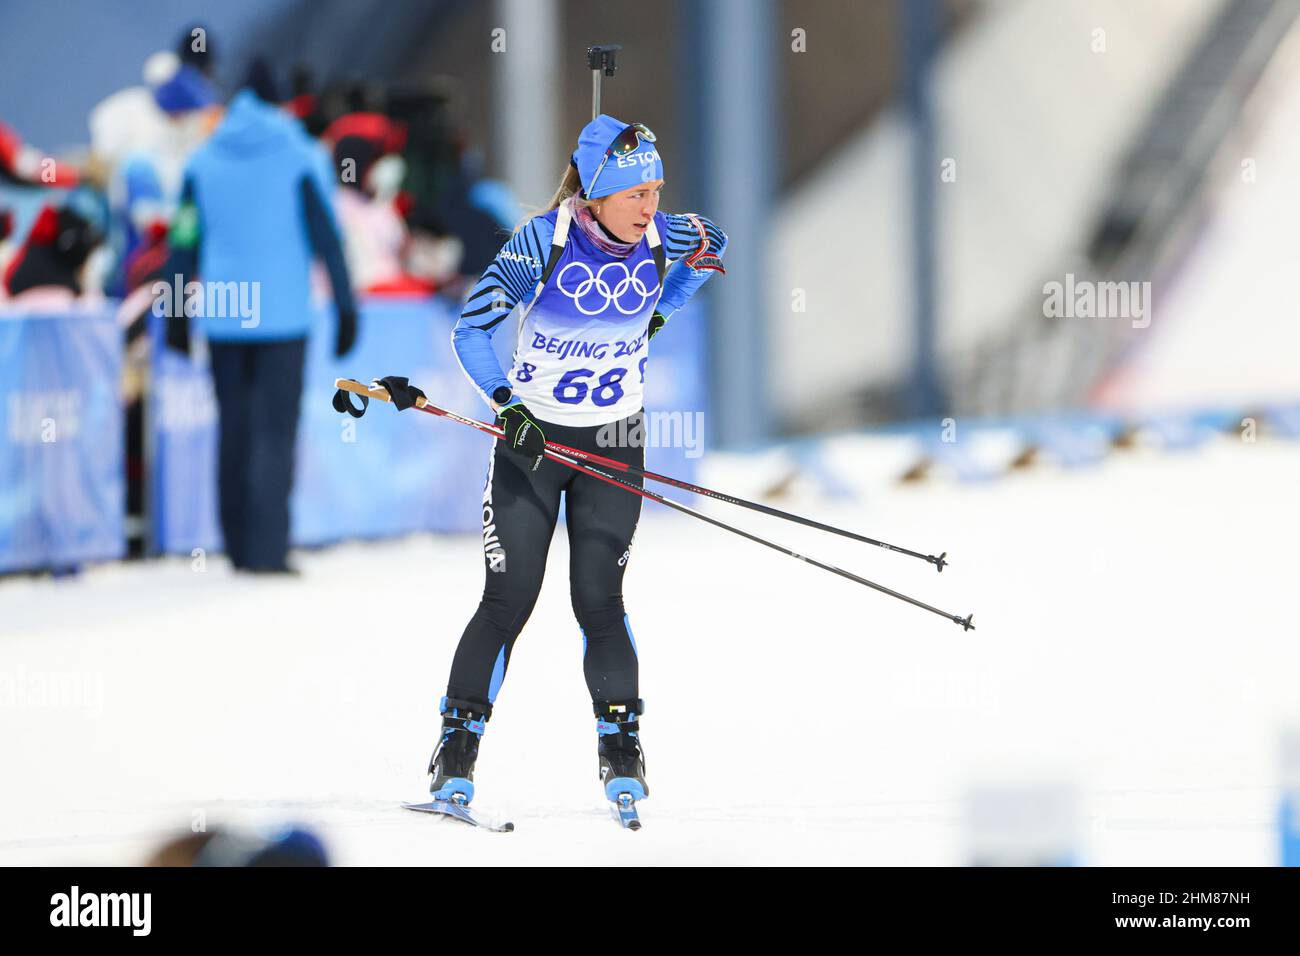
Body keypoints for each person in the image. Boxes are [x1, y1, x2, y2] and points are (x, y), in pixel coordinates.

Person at [383, 114, 726, 811]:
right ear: (596, 192)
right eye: (635, 193)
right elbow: (472, 329)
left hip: (614, 443)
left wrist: (656, 315)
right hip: (532, 447)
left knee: (599, 600)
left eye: (656, 190)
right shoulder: (541, 243)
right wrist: (509, 406)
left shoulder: (665, 233)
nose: (649, 206)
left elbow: (714, 243)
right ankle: (456, 753)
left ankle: (621, 751)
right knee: (509, 599)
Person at [166, 89, 357, 574]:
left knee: (234, 429)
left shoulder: (202, 160)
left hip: (226, 315)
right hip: (283, 315)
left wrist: (174, 317)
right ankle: (269, 550)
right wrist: (345, 306)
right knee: (275, 432)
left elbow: (183, 240)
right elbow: (325, 238)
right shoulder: (299, 156)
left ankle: (235, 545)